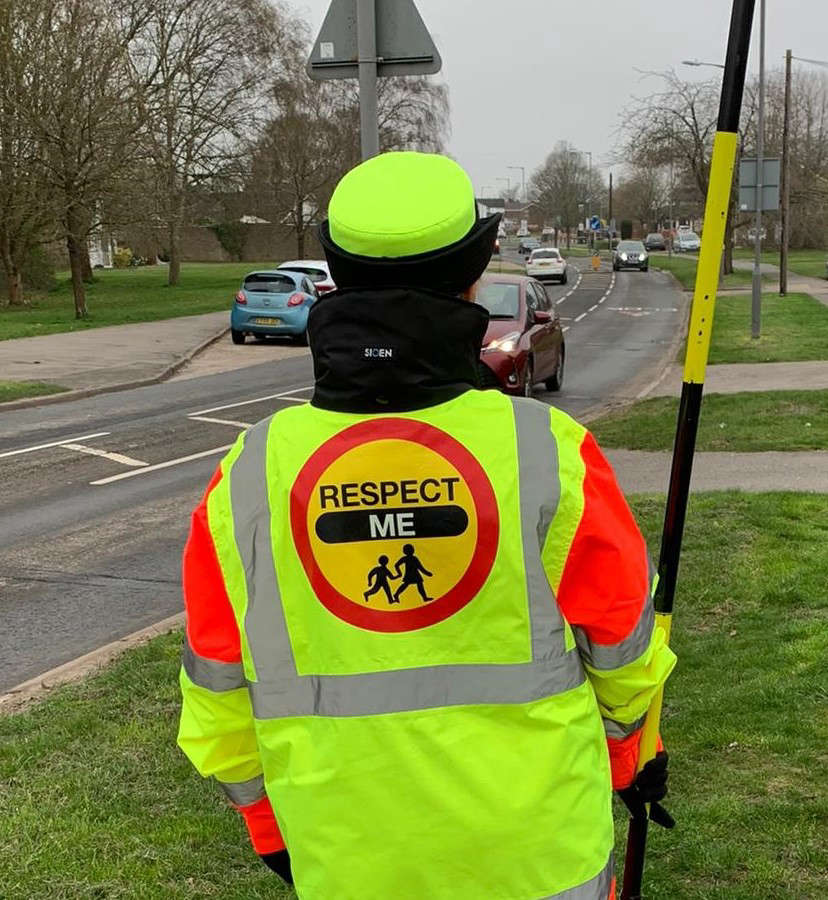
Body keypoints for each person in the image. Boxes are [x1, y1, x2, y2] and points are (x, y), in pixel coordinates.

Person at [178, 151, 677, 899]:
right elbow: (622, 654)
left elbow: (217, 691)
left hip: (351, 861)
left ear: (335, 281)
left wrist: (267, 827)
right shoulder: (548, 454)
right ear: (473, 280)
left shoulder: (249, 474)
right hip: (539, 859)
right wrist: (635, 760)